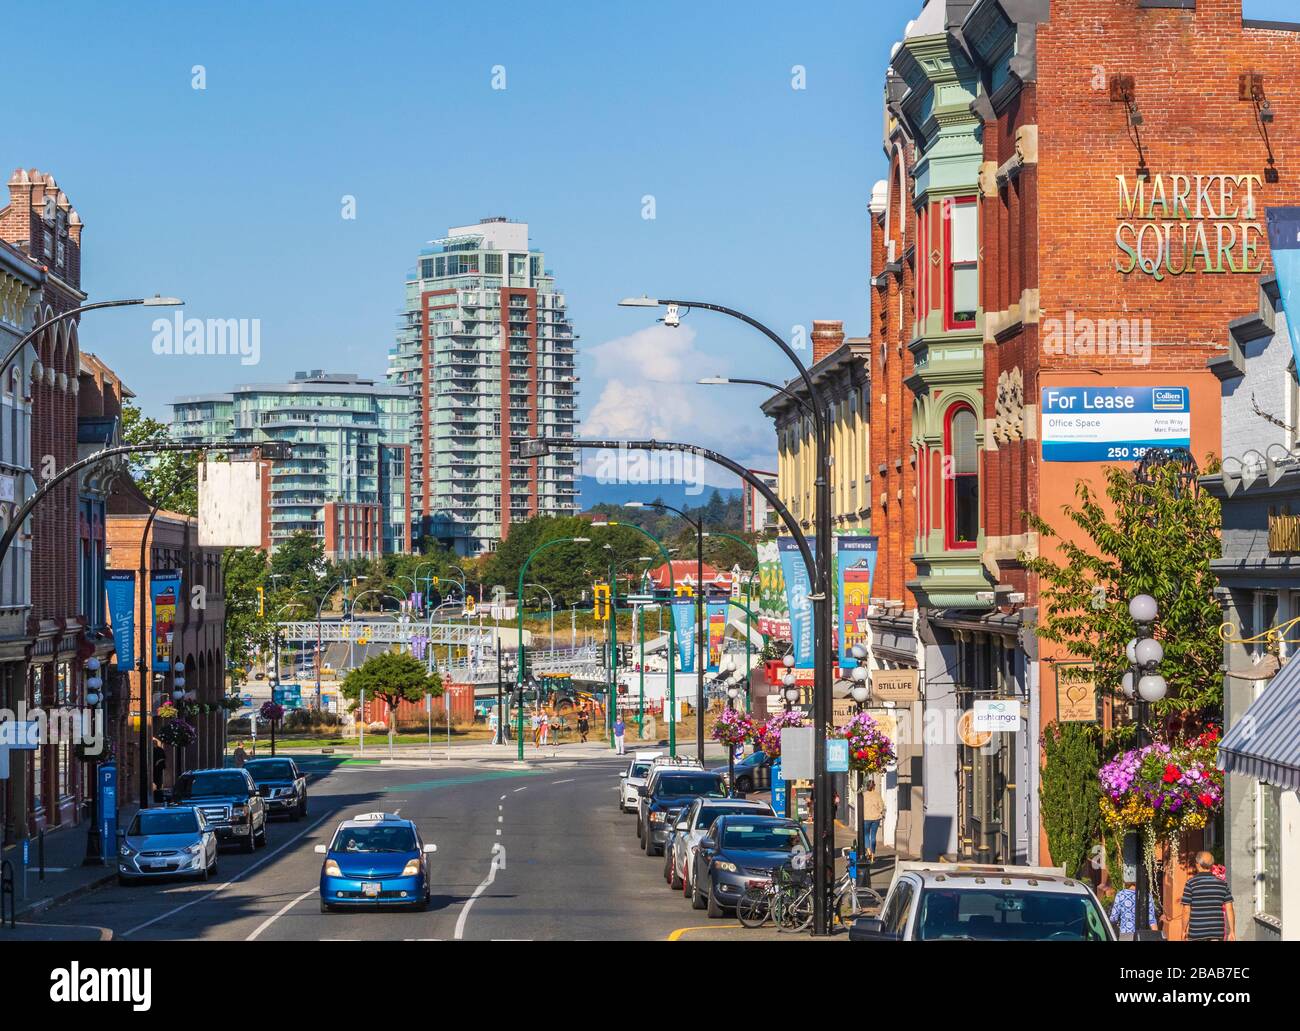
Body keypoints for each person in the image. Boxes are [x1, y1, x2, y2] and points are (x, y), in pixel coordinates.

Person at [1181, 850, 1235, 941]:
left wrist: (1183, 930)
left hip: (1197, 932)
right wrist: (1232, 931)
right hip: (1216, 933)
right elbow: (1229, 908)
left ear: (1197, 864)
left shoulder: (1191, 884)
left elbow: (1186, 910)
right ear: (1211, 865)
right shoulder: (1222, 884)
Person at [861, 776, 885, 862]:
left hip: (866, 818)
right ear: (874, 786)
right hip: (876, 818)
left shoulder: (863, 795)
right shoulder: (877, 795)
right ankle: (873, 855)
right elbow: (882, 806)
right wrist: (879, 812)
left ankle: (868, 851)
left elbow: (861, 806)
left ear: (867, 786)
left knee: (866, 835)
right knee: (873, 836)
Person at [151, 737, 167, 802]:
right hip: (154, 766)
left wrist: (158, 761)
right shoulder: (152, 749)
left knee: (158, 778)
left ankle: (158, 789)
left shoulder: (160, 749)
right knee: (155, 778)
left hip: (159, 766)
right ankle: (157, 789)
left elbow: (164, 757)